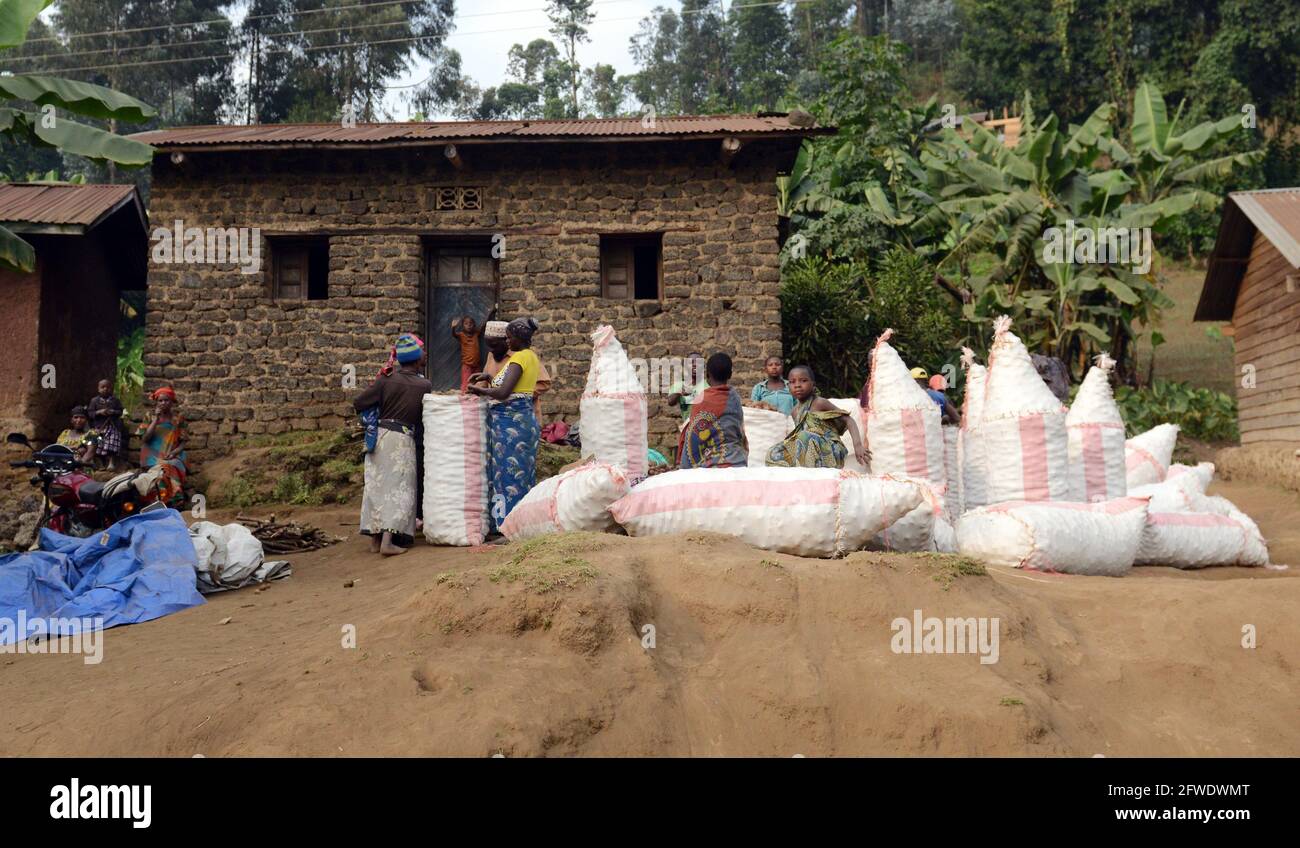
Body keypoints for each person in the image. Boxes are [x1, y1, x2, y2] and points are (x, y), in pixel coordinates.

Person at [353, 333, 432, 556]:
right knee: (398, 489)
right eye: (423, 352)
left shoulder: (385, 379)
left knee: (376, 488)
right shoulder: (423, 384)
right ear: (417, 359)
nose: (425, 354)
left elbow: (359, 402)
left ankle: (375, 542)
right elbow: (422, 417)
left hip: (379, 437)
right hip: (401, 441)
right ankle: (388, 543)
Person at [466, 317, 542, 532]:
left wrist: (478, 390)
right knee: (519, 477)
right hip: (519, 424)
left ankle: (508, 529)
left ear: (518, 338)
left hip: (512, 427)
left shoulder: (519, 358)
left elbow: (503, 393)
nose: (507, 342)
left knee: (510, 479)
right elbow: (513, 385)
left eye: (509, 338)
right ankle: (515, 526)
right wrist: (489, 377)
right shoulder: (530, 357)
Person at [766, 365, 869, 468]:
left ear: (813, 384)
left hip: (829, 448)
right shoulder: (794, 411)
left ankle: (810, 474)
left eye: (803, 380)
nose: (797, 385)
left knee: (804, 437)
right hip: (806, 446)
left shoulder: (819, 402)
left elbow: (848, 420)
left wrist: (858, 446)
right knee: (774, 452)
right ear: (788, 386)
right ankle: (796, 473)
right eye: (793, 382)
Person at [678, 352, 748, 469]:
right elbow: (739, 432)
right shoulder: (734, 397)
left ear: (707, 374)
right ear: (730, 375)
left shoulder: (702, 399)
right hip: (737, 461)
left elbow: (692, 438)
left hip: (710, 466)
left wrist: (685, 467)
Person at [137, 387, 188, 506]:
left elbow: (183, 441)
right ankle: (164, 500)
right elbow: (144, 438)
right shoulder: (149, 416)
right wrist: (155, 420)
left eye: (167, 400)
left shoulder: (178, 418)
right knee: (162, 470)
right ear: (156, 402)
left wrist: (175, 452)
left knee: (170, 465)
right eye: (160, 401)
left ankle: (175, 499)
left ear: (172, 402)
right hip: (151, 455)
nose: (163, 403)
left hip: (172, 454)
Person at [87, 379, 125, 469]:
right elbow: (90, 413)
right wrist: (99, 412)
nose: (105, 389)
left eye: (108, 387)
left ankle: (111, 462)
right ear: (98, 389)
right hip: (99, 427)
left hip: (113, 426)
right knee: (98, 444)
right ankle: (99, 463)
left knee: (112, 443)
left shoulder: (115, 400)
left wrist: (113, 412)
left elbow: (120, 411)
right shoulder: (94, 401)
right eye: (102, 387)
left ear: (111, 389)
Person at [665, 351, 706, 424]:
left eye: (698, 362)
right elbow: (670, 402)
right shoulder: (680, 385)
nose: (694, 365)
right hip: (688, 430)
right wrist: (680, 392)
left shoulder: (708, 385)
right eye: (691, 362)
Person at [451, 315, 484, 391]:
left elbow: (482, 326)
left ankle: (475, 396)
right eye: (466, 324)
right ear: (463, 326)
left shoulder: (476, 334)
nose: (468, 326)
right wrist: (453, 328)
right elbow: (454, 335)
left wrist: (490, 313)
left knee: (477, 383)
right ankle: (465, 396)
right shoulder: (461, 335)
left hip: (477, 364)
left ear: (474, 325)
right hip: (467, 365)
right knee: (466, 383)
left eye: (471, 324)